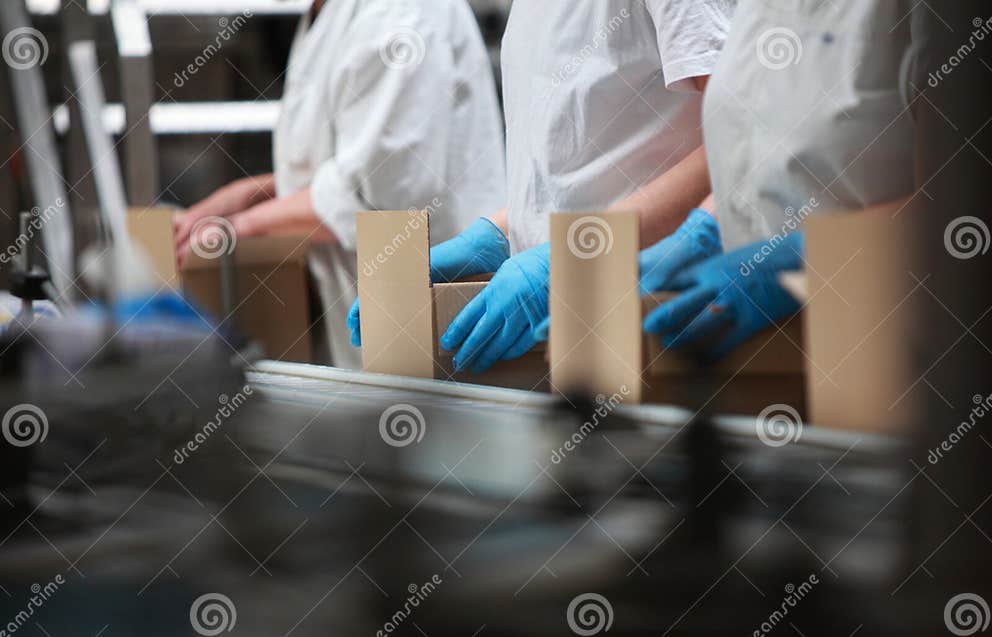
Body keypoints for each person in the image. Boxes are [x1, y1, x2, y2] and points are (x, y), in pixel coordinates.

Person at [350, 0, 737, 374]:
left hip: (658, 315)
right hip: (567, 328)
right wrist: (505, 231)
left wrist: (581, 251)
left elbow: (744, 139)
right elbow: (580, 159)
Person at [174, 0, 506, 368]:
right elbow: (348, 162)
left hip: (433, 341)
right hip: (366, 332)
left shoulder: (400, 11)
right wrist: (247, 195)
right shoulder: (325, 12)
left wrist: (240, 227)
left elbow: (380, 195)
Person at [639, 0, 916, 358]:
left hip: (898, 358)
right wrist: (701, 234)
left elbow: (964, 198)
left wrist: (809, 258)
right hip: (774, 360)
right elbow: (763, 149)